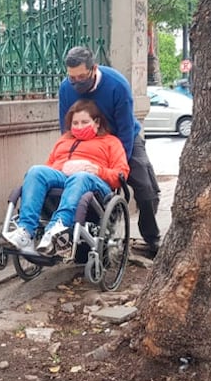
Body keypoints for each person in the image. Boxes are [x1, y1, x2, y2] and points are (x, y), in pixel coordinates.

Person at [58, 46, 162, 258]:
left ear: (93, 68)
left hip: (122, 139)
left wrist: (116, 165)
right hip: (88, 139)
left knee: (145, 188)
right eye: (72, 78)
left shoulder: (117, 85)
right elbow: (66, 127)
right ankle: (96, 237)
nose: (77, 82)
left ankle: (152, 239)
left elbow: (125, 128)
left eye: (81, 77)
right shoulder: (65, 89)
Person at [1, 99, 130, 257]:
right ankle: (25, 232)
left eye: (84, 122)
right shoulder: (64, 140)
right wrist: (62, 168)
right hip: (63, 178)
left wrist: (97, 170)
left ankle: (58, 228)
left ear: (97, 122)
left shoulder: (111, 142)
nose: (79, 127)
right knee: (36, 171)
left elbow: (121, 174)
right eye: (75, 123)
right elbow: (48, 167)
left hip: (94, 182)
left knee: (81, 176)